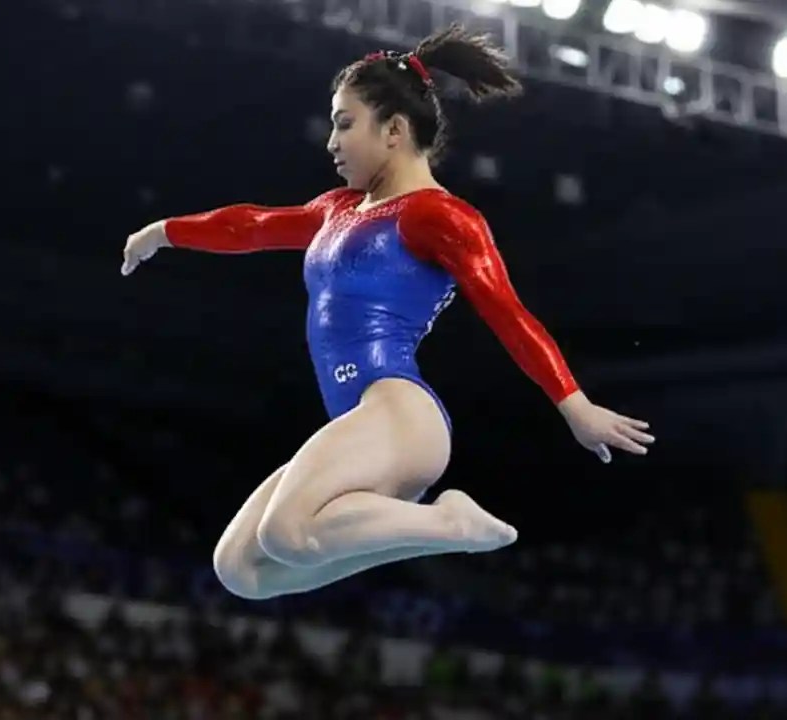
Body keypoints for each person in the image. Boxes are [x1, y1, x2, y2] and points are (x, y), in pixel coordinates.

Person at [120, 24, 655, 600]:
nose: (331, 140)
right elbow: (251, 226)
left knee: (286, 530)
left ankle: (451, 522)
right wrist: (164, 232)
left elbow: (507, 310)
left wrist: (573, 404)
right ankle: (423, 534)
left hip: (398, 413)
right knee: (242, 570)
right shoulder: (337, 210)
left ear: (395, 130)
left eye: (344, 123)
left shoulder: (439, 217)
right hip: (359, 422)